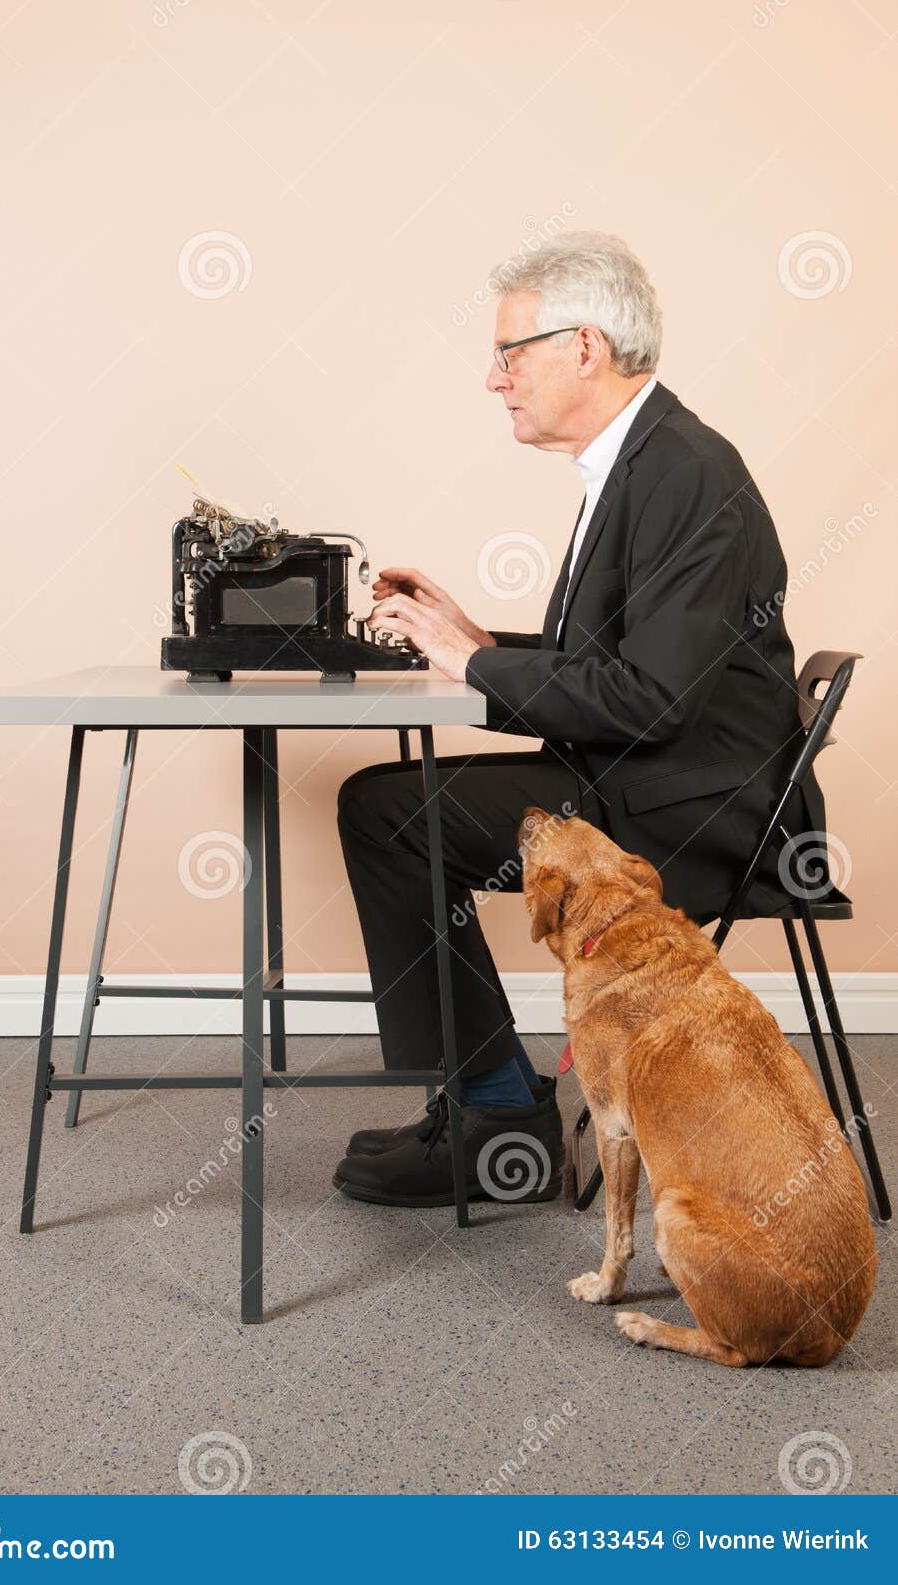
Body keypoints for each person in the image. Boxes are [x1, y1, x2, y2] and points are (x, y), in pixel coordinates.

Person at [333, 230, 828, 1209]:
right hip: (654, 778)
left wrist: (469, 663)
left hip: (690, 813)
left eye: (509, 353)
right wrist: (474, 637)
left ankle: (492, 1119)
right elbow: (623, 661)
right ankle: (490, 1105)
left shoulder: (683, 471)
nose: (494, 379)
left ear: (584, 348)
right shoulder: (644, 459)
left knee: (385, 814)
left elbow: (650, 700)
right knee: (386, 804)